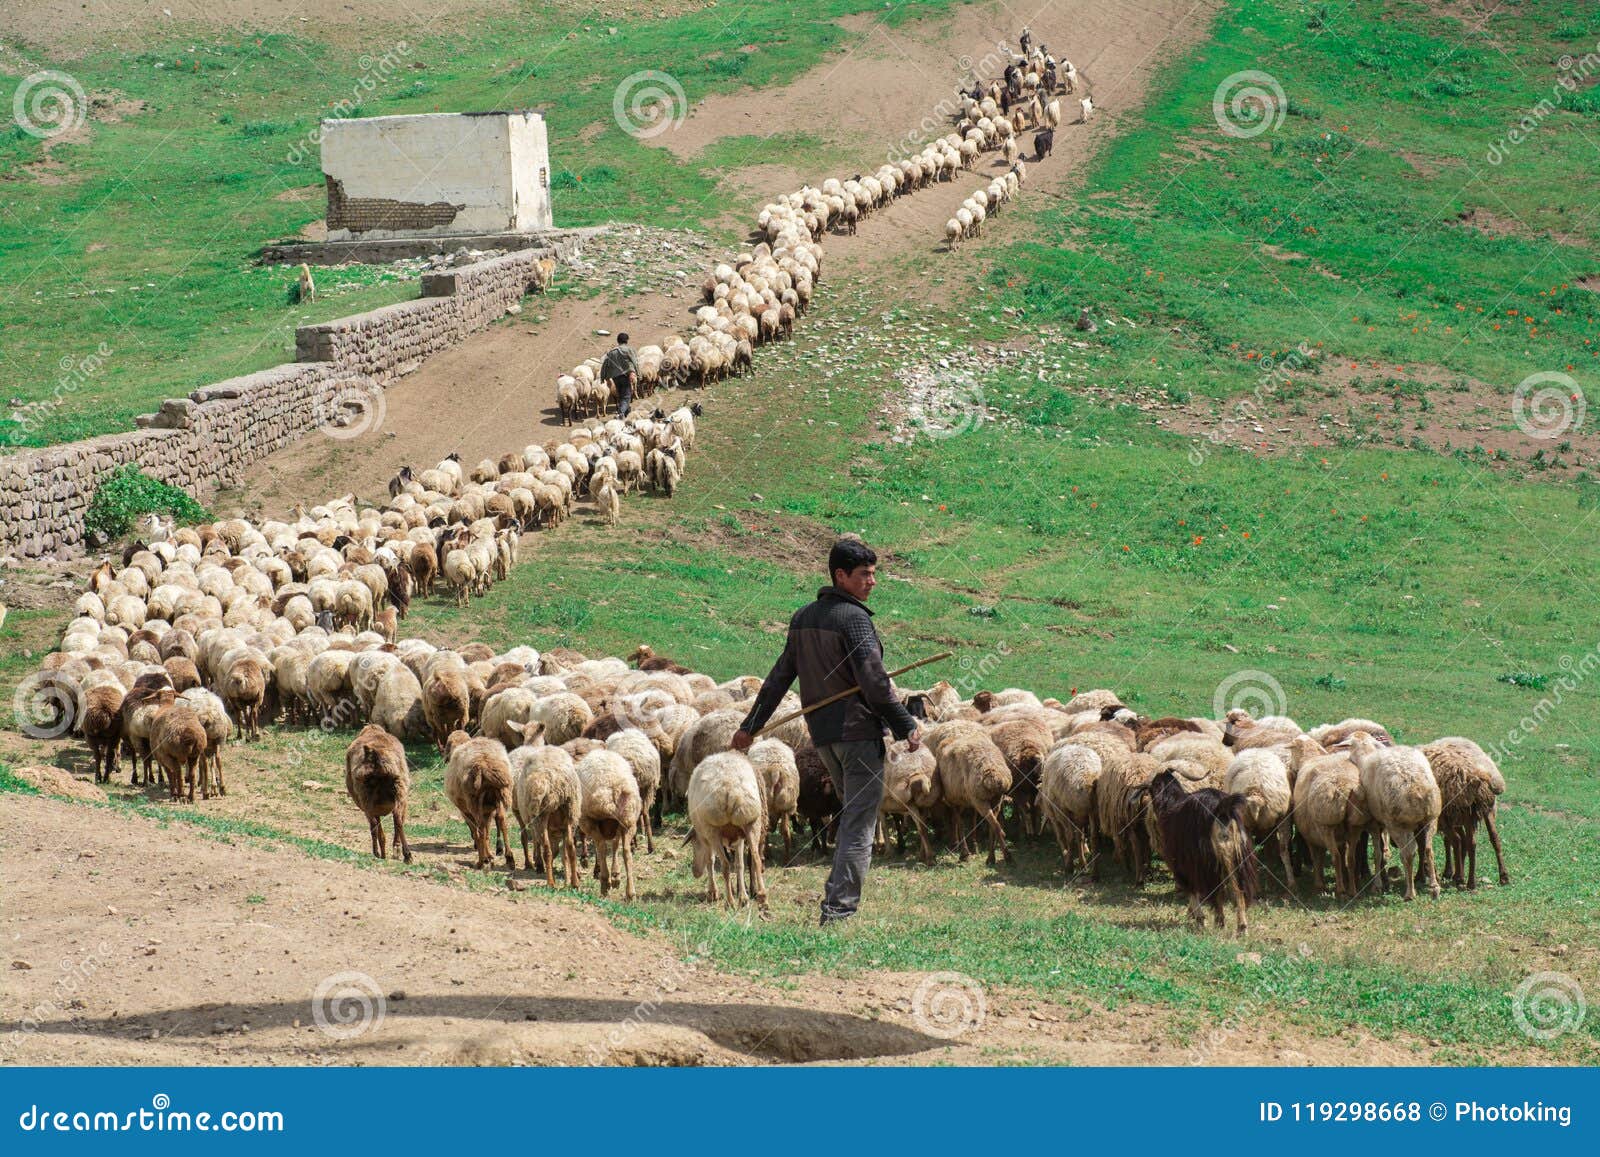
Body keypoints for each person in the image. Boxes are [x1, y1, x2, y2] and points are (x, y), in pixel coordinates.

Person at [732, 539, 922, 927]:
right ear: (840, 575)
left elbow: (779, 677)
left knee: (852, 815)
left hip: (824, 738)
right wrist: (905, 724)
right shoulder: (854, 620)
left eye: (873, 573)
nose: (872, 582)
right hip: (857, 734)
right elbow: (874, 683)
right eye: (864, 575)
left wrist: (750, 726)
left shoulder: (804, 618)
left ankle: (837, 897)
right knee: (858, 822)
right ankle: (838, 910)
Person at [600, 332, 639, 419]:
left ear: (618, 341)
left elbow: (605, 364)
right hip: (625, 376)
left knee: (622, 395)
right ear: (627, 340)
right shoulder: (628, 349)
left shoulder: (612, 352)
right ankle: (620, 414)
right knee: (627, 396)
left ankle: (627, 415)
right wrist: (636, 373)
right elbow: (634, 361)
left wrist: (604, 377)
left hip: (615, 378)